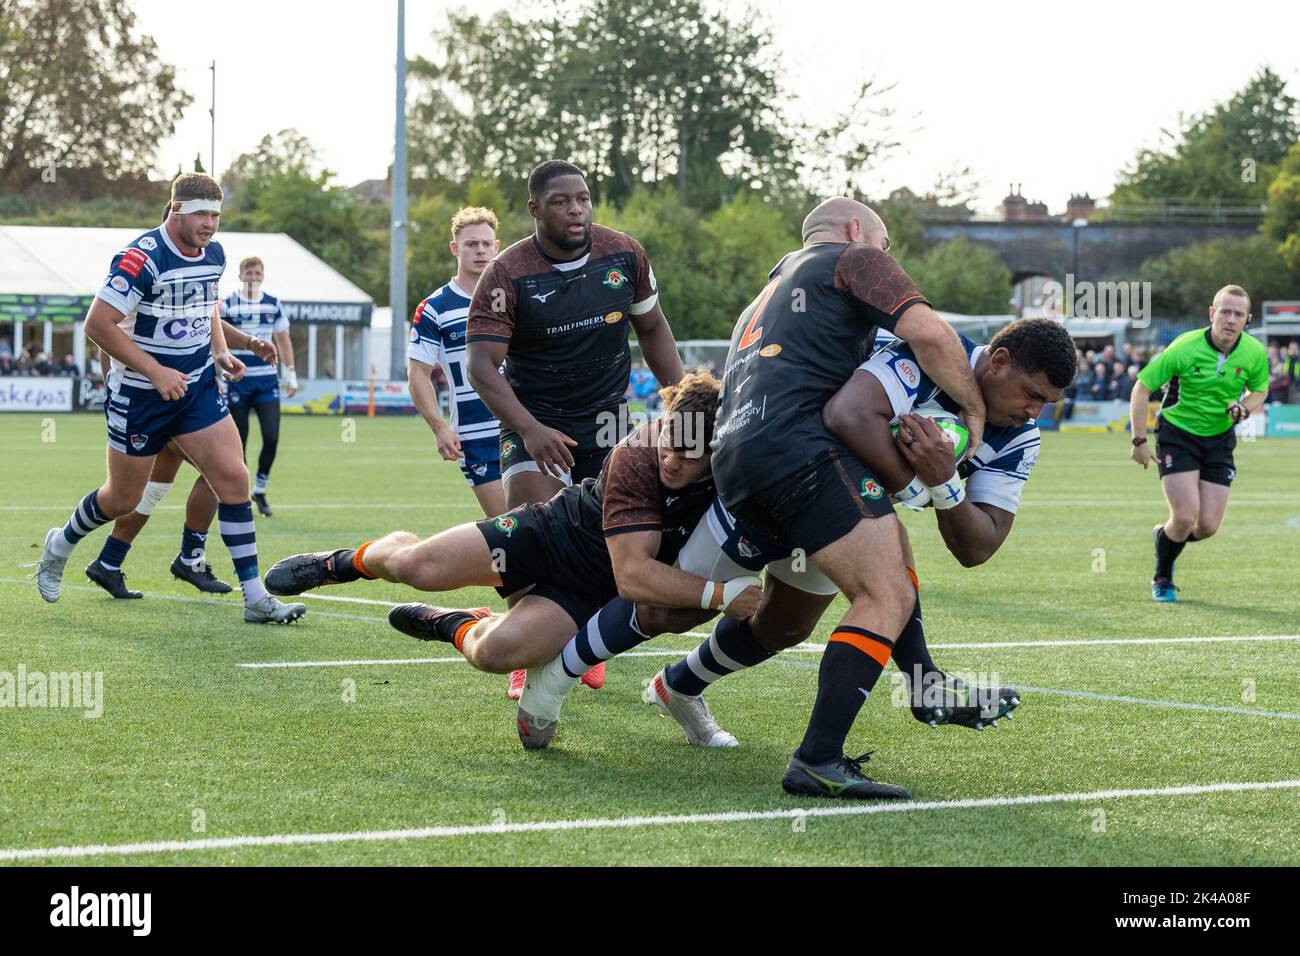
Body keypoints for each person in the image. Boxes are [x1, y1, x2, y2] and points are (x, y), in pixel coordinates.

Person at [518, 319, 1073, 754]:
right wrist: (914, 481)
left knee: (785, 625)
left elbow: (978, 545)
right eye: (1031, 393)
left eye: (1045, 403)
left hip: (844, 512)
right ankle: (556, 676)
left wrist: (945, 484)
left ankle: (679, 685)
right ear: (996, 361)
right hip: (780, 477)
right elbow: (849, 414)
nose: (1033, 411)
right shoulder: (923, 354)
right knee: (671, 608)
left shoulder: (1019, 436)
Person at [264, 371, 760, 694]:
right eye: (667, 445)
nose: (670, 460)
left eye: (687, 455)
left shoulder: (734, 473)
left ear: (717, 451)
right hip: (548, 533)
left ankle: (452, 622)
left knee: (493, 654)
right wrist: (721, 596)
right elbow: (634, 579)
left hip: (587, 589)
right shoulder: (638, 451)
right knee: (414, 566)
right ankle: (344, 562)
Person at [29, 172, 306, 624]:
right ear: (176, 209)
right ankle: (60, 544)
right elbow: (97, 326)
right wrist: (155, 372)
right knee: (122, 497)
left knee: (233, 480)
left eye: (216, 215)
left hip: (195, 389)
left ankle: (254, 597)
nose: (211, 224)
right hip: (141, 396)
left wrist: (220, 350)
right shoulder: (141, 258)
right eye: (201, 214)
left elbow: (208, 304)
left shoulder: (214, 253)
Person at [466, 159, 685, 697]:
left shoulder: (624, 254)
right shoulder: (507, 273)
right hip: (536, 421)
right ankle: (524, 651)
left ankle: (583, 644)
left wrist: (683, 403)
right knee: (525, 536)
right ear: (535, 209)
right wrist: (530, 427)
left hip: (610, 419)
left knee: (620, 538)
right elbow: (480, 366)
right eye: (562, 202)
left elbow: (653, 328)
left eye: (583, 199)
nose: (576, 210)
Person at [1128, 284, 1269, 602]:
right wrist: (1139, 440)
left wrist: (1245, 407)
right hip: (1178, 435)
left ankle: (1163, 537)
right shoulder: (1184, 346)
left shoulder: (1254, 352)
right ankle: (1162, 576)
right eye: (1225, 311)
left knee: (1207, 526)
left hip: (1219, 440)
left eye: (1238, 314)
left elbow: (1260, 389)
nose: (1230, 319)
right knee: (1185, 516)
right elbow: (1141, 388)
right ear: (1212, 313)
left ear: (1247, 320)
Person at [408, 207, 506, 519]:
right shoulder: (435, 307)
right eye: (471, 244)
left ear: (497, 247)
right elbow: (418, 374)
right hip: (475, 436)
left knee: (542, 530)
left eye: (486, 244)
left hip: (525, 428)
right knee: (510, 529)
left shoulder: (514, 297)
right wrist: (438, 427)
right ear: (455, 248)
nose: (480, 251)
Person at [220, 256, 297, 517]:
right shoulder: (228, 303)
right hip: (237, 380)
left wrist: (291, 373)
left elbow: (283, 340)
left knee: (272, 436)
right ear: (240, 276)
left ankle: (260, 489)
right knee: (238, 443)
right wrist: (218, 375)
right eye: (249, 273)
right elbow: (216, 337)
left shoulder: (273, 304)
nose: (253, 277)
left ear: (263, 276)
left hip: (266, 380)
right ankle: (240, 494)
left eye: (257, 273)